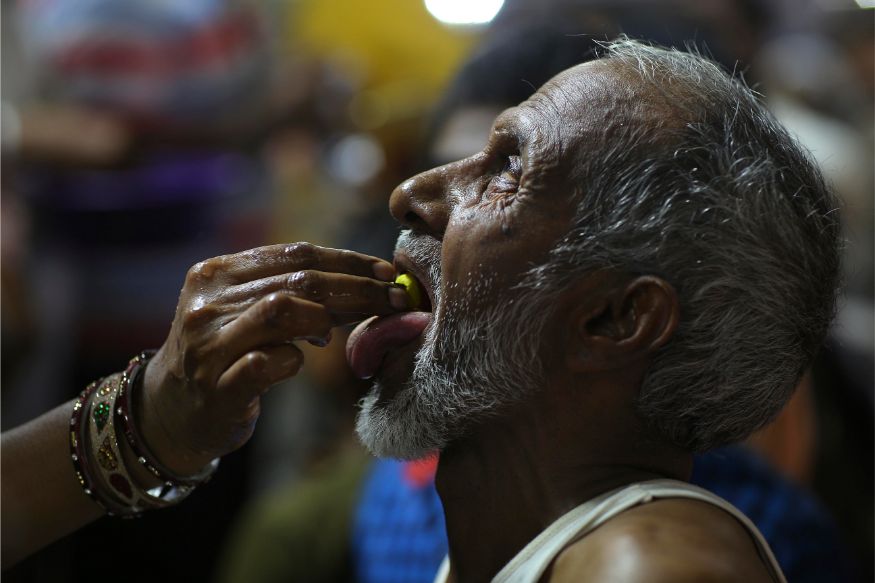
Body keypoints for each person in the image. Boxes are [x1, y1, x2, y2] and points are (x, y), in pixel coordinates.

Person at [347, 37, 840, 582]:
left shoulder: (654, 568)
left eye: (507, 170)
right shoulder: (523, 535)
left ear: (616, 320)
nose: (410, 194)